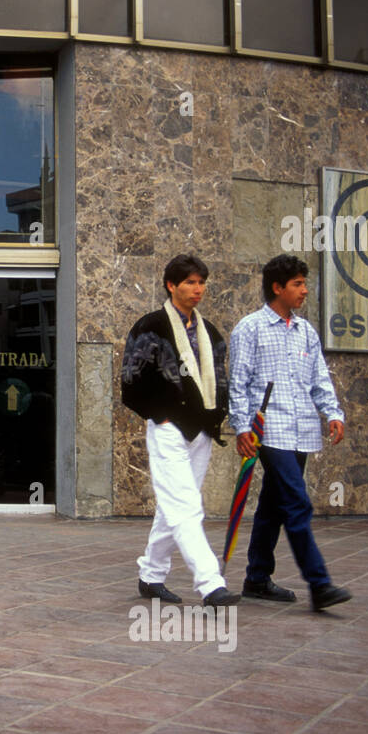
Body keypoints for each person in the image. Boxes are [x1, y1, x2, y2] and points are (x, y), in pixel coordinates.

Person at [229, 253, 352, 612]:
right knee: (297, 503)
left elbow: (319, 378)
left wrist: (332, 413)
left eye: (304, 282)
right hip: (268, 431)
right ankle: (320, 584)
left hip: (302, 431)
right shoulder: (249, 328)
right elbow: (237, 383)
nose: (304, 291)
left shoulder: (306, 331)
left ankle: (256, 578)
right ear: (277, 287)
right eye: (297, 284)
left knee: (273, 506)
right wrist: (241, 428)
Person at [121, 254, 239, 607]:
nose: (197, 289)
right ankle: (210, 583)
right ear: (171, 285)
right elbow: (130, 380)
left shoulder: (211, 333)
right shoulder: (151, 326)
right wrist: (161, 416)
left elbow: (220, 381)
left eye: (201, 282)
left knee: (172, 507)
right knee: (186, 506)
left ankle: (151, 574)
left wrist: (224, 418)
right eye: (189, 282)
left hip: (201, 430)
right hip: (169, 428)